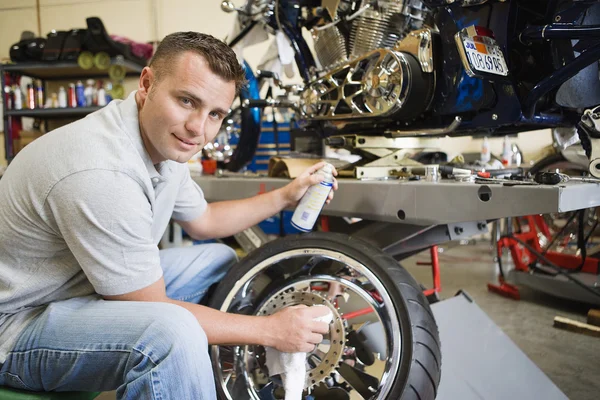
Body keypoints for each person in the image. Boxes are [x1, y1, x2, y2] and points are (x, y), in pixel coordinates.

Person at [0, 31, 338, 399]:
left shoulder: (162, 139)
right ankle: (184, 371)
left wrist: (286, 196)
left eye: (215, 114)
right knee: (171, 334)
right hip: (16, 327)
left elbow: (205, 221)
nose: (199, 129)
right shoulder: (102, 172)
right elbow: (150, 308)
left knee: (218, 258)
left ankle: (204, 374)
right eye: (187, 101)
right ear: (147, 84)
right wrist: (269, 330)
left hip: (72, 290)